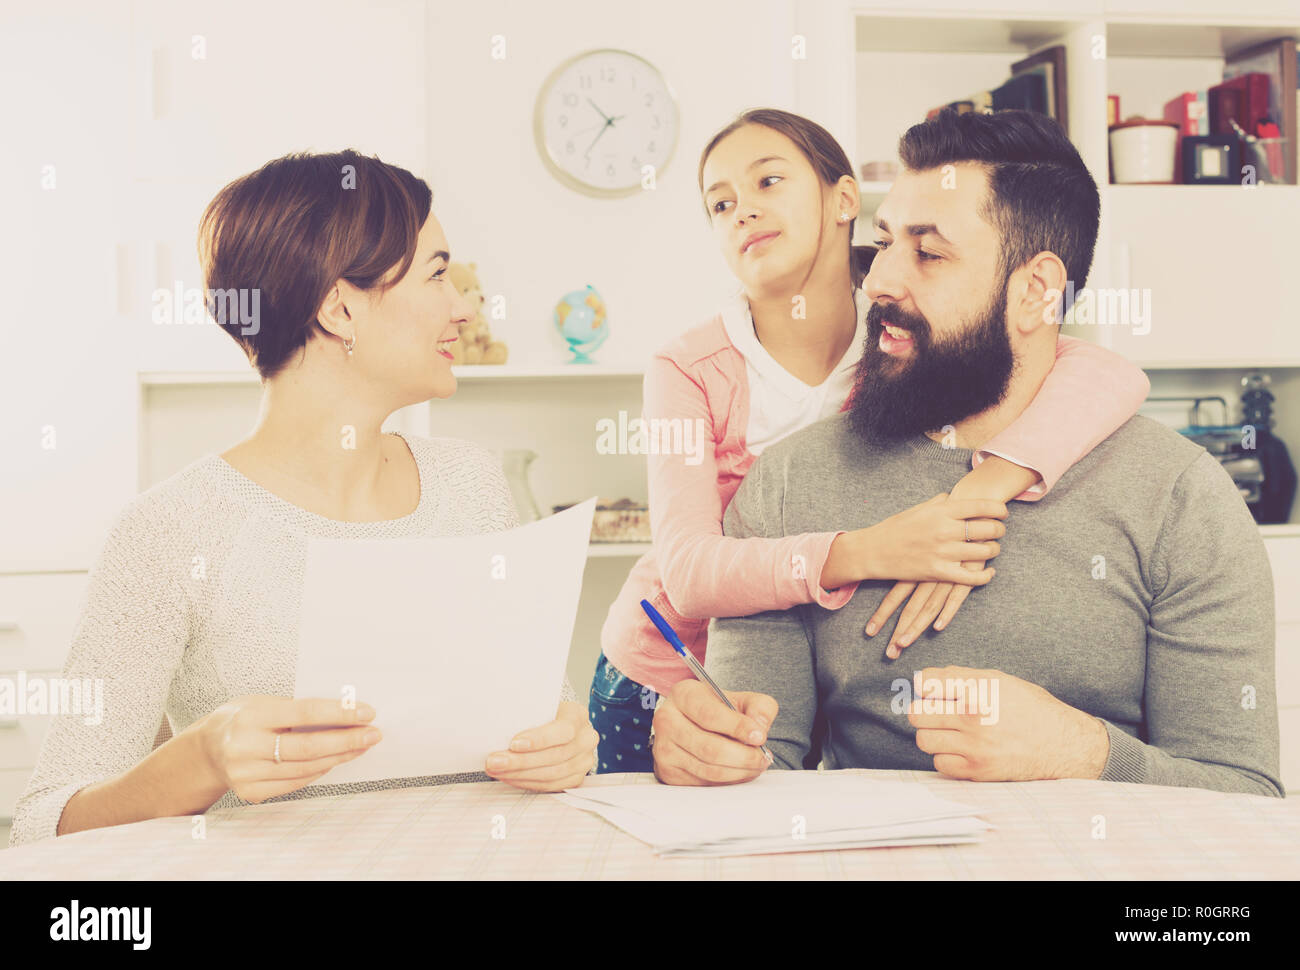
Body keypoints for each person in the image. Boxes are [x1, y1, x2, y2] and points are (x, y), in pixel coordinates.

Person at [650, 109, 1282, 798]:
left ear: (1037, 290)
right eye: (884, 242)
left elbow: (1244, 796)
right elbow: (758, 768)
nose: (879, 282)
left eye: (928, 253)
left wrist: (1081, 751)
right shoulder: (785, 484)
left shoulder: (1181, 498)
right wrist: (707, 754)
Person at [9, 151, 597, 847]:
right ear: (339, 306)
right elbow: (44, 827)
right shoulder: (167, 531)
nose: (465, 308)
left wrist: (566, 742)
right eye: (439, 273)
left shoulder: (472, 486)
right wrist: (199, 757)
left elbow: (551, 716)